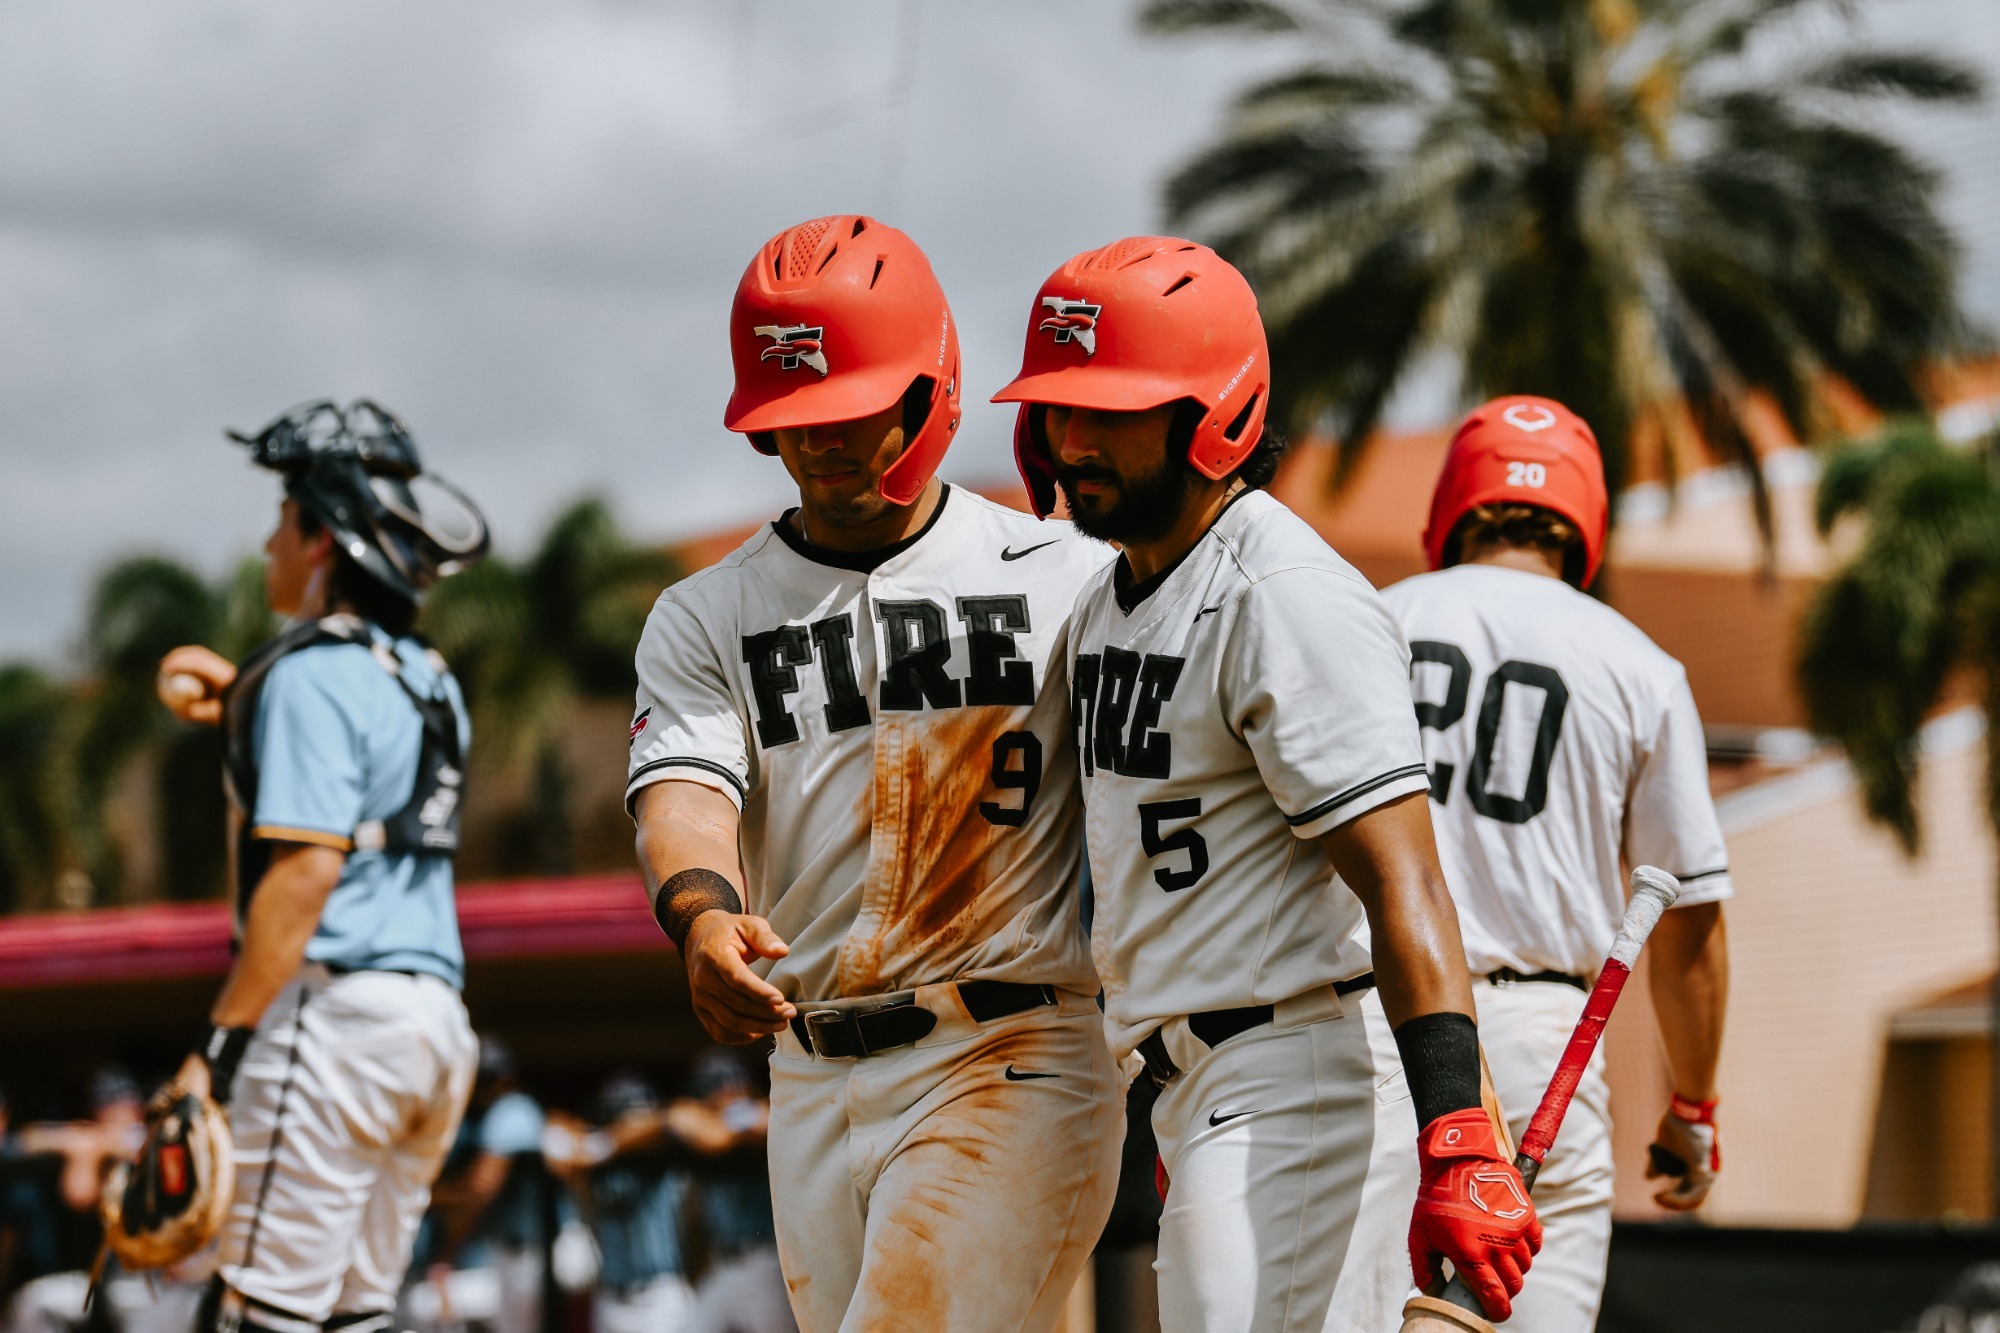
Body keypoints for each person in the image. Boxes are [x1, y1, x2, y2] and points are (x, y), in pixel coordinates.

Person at [991, 236, 1542, 1330]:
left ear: (1214, 416)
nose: (1073, 438)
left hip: (1292, 1070)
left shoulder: (1279, 592)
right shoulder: (1114, 596)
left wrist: (1459, 1134)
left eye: (1112, 409)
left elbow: (1404, 881)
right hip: (1206, 1084)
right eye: (1059, 408)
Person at [627, 215, 1122, 1332]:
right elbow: (684, 790)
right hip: (809, 1072)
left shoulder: (1067, 576)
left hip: (1009, 1046)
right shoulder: (708, 610)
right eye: (794, 420)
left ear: (926, 388)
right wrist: (700, 916)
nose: (822, 443)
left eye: (848, 411)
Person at [1381, 396, 1731, 1332]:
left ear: (1454, 503)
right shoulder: (1637, 663)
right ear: (1584, 523)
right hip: (1545, 1043)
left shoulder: (1374, 621)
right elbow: (1690, 918)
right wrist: (1691, 1106)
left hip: (1383, 1031)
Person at [153, 400, 491, 1333]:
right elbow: (366, 772)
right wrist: (240, 699)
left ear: (322, 541)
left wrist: (213, 1053)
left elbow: (303, 876)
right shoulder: (427, 676)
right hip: (432, 1029)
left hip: (333, 1022)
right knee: (355, 1313)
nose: (270, 539)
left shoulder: (306, 678)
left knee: (263, 1316)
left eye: (284, 517)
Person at [405, 1038, 548, 1333]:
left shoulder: (514, 1109)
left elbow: (480, 1189)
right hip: (495, 1251)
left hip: (520, 1251)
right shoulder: (475, 1118)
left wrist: (446, 1251)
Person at [575, 1075, 695, 1333]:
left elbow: (665, 1120)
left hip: (658, 1295)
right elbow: (558, 1138)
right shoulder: (596, 1161)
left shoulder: (660, 1152)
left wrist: (606, 1144)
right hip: (610, 1295)